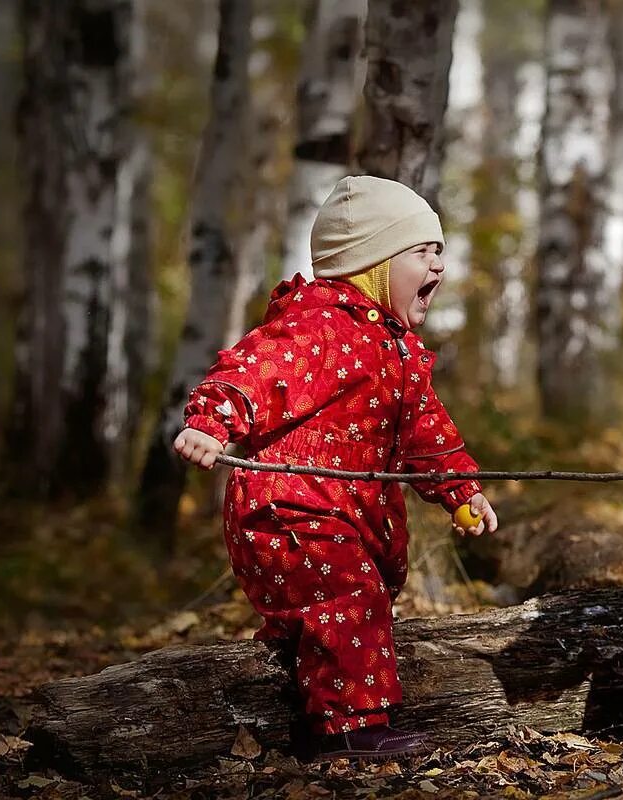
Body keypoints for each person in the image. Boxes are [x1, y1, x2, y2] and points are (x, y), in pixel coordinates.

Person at [175, 176, 498, 760]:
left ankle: (292, 699)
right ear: (373, 262)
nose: (439, 266)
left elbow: (428, 432)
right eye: (422, 252)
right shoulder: (319, 328)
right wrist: (211, 420)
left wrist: (460, 490)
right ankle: (354, 731)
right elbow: (256, 371)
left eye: (440, 251)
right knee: (349, 596)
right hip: (288, 509)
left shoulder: (393, 347)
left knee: (338, 603)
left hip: (342, 507)